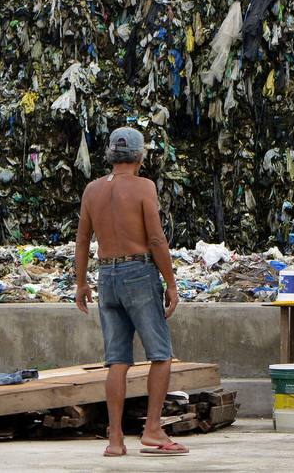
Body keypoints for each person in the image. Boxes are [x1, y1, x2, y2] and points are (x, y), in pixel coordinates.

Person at [73, 126, 189, 458]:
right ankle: (152, 431)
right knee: (161, 355)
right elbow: (155, 239)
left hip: (106, 274)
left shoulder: (92, 189)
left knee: (117, 361)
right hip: (138, 272)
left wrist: (81, 283)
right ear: (140, 156)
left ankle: (115, 439)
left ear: (110, 155)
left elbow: (82, 240)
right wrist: (171, 282)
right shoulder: (144, 187)